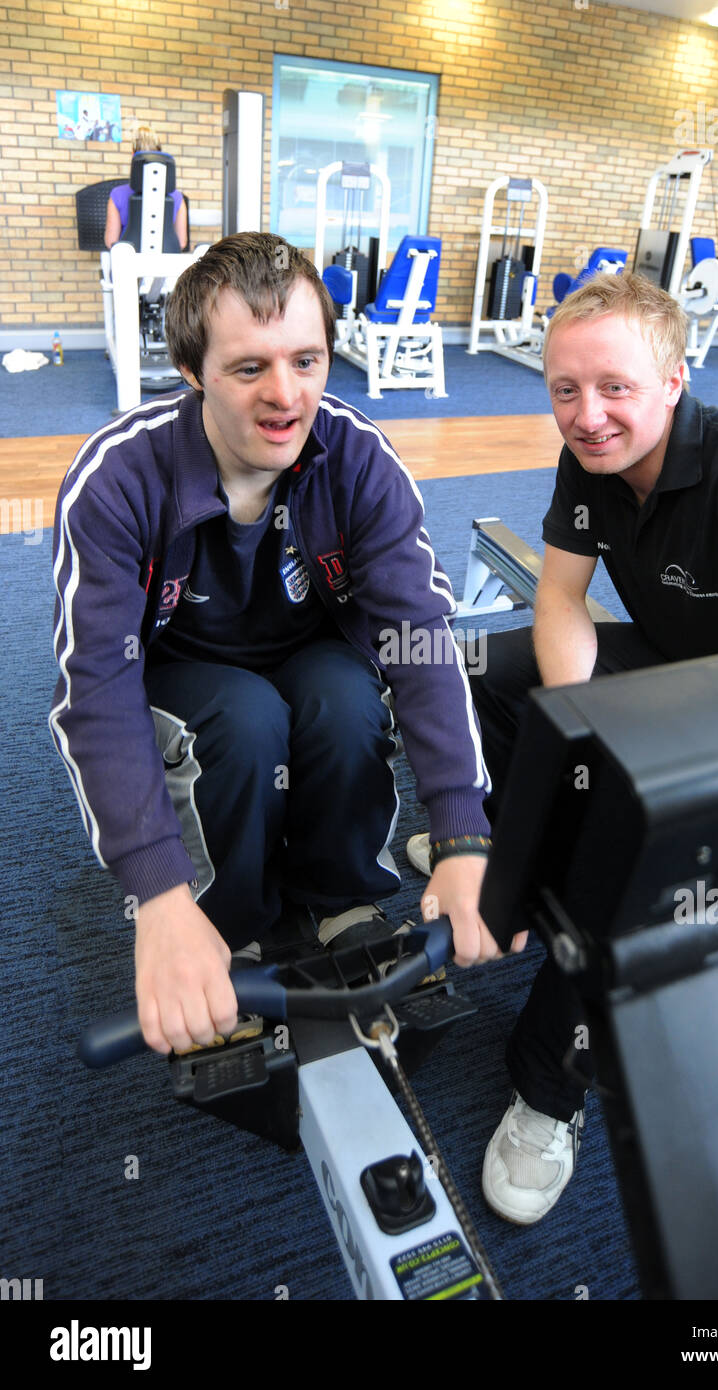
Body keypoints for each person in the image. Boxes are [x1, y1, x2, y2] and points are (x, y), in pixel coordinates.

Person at [457, 271, 718, 1225]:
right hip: (671, 666)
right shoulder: (590, 459)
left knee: (627, 828)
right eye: (565, 390)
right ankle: (526, 862)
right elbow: (559, 600)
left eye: (615, 388)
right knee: (480, 668)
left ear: (675, 381)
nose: (587, 415)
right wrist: (576, 728)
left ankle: (548, 1092)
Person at [50, 232, 516, 1059]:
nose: (286, 396)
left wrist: (463, 833)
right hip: (188, 669)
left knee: (342, 701)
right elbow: (96, 692)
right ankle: (228, 926)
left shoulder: (361, 459)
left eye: (307, 360)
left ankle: (339, 894)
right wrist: (159, 900)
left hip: (308, 651)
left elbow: (418, 637)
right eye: (249, 368)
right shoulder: (118, 478)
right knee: (245, 718)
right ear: (193, 371)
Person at [104, 124, 188, 251]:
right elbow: (181, 243)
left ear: (133, 155)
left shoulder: (117, 195)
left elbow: (111, 242)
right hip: (166, 268)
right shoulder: (177, 197)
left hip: (129, 267)